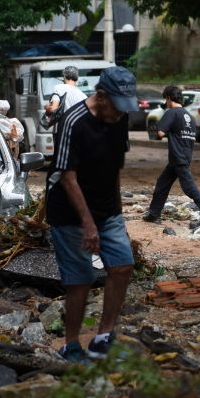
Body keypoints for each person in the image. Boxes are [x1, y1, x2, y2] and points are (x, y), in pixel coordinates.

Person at [46, 66, 138, 363]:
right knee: (80, 279)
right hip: (69, 210)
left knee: (122, 266)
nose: (121, 113)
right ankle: (71, 345)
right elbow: (67, 176)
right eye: (117, 105)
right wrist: (88, 224)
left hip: (106, 208)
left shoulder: (120, 118)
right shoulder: (74, 121)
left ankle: (103, 338)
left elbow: (114, 167)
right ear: (101, 96)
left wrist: (117, 212)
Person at [143, 85, 200, 228]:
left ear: (169, 98)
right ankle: (154, 214)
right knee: (162, 183)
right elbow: (194, 137)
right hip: (184, 156)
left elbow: (160, 133)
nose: (166, 102)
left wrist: (162, 129)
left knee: (189, 188)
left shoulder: (171, 112)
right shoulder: (189, 115)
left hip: (177, 157)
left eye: (166, 99)